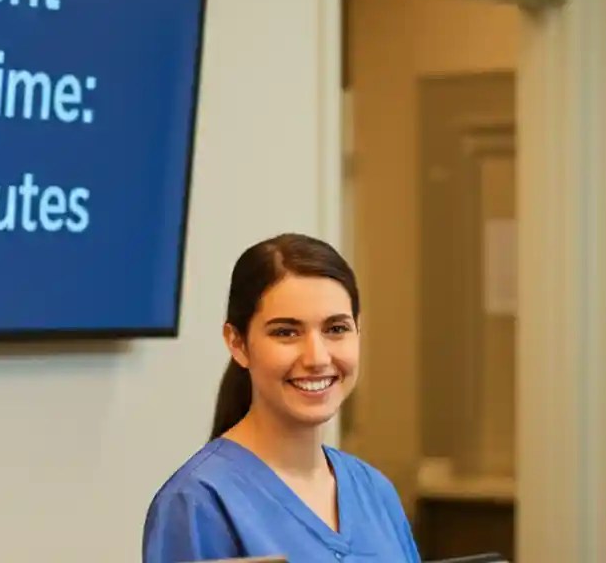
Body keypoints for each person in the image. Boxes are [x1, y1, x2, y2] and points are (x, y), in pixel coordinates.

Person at [142, 233, 423, 563]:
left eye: (336, 329)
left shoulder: (375, 492)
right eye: (286, 332)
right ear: (237, 343)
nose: (317, 357)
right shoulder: (197, 501)